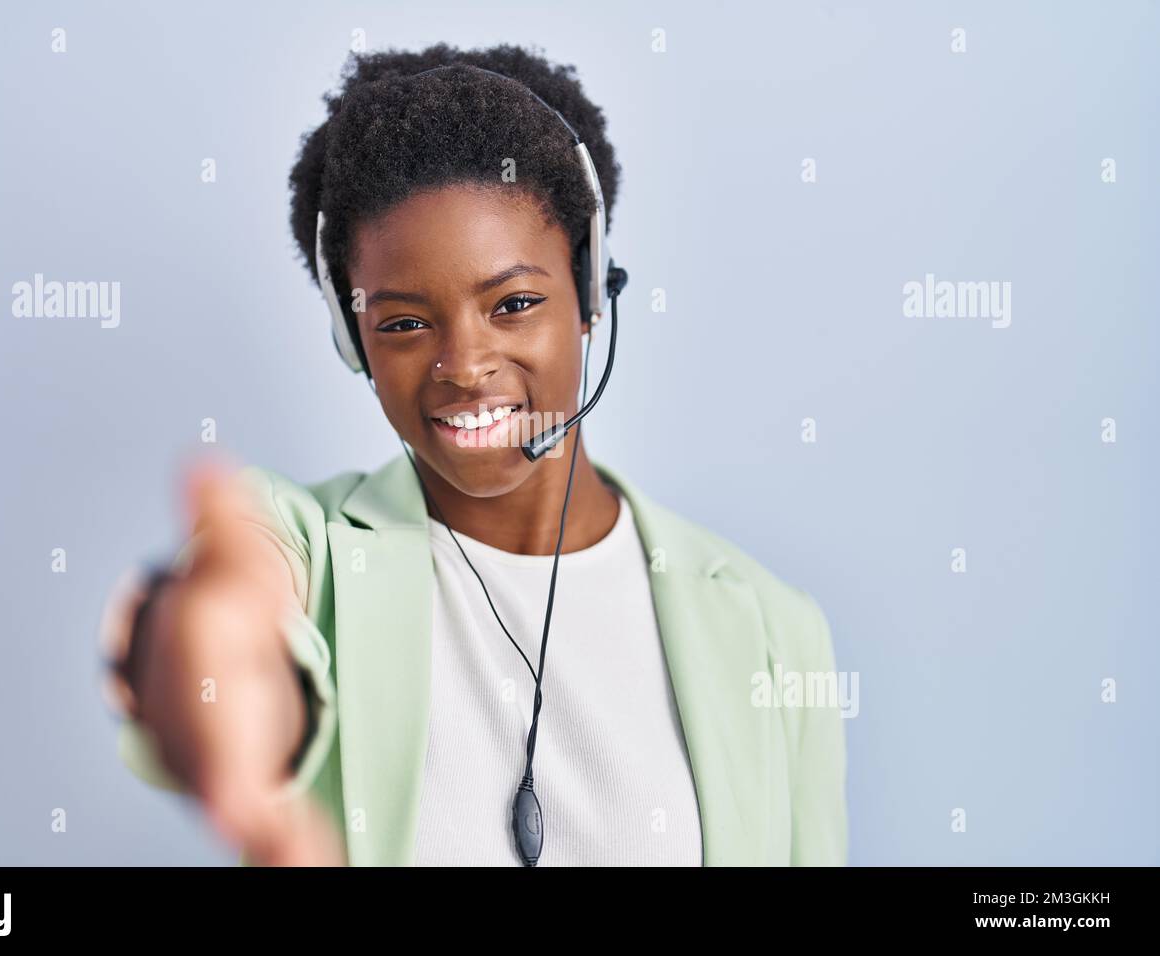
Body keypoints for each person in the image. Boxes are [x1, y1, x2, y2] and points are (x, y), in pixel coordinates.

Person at [100, 42, 847, 867]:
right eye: (404, 323)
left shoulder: (774, 629)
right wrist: (212, 656)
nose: (464, 366)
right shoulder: (310, 552)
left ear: (591, 290)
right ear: (355, 339)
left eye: (515, 303)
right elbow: (243, 603)